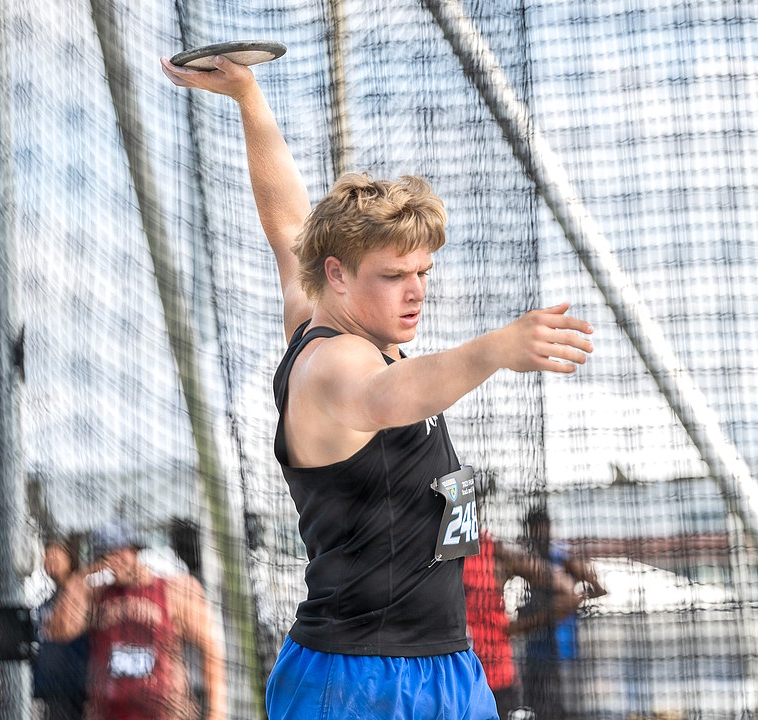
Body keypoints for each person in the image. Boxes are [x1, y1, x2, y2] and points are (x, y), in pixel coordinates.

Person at [161, 53, 595, 719]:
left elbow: (286, 221)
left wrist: (249, 99)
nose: (416, 291)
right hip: (363, 678)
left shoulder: (321, 307)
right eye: (395, 274)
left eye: (423, 270)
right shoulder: (334, 365)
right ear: (337, 275)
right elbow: (389, 399)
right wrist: (498, 348)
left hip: (444, 664)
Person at [43, 521, 227, 720]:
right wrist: (83, 576)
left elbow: (210, 649)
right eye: (105, 556)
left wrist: (216, 712)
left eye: (118, 552)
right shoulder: (97, 596)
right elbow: (58, 631)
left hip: (166, 712)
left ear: (134, 550)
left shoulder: (174, 591)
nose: (113, 560)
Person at [463, 527, 580, 720]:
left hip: (493, 682)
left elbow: (567, 592)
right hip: (450, 680)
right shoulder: (427, 544)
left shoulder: (489, 549)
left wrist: (517, 626)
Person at [513, 507, 606, 720]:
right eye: (535, 529)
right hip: (536, 650)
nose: (539, 533)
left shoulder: (560, 557)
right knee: (539, 710)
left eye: (542, 528)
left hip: (563, 650)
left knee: (568, 710)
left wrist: (574, 600)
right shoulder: (527, 560)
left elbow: (599, 590)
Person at [33, 536, 88, 720]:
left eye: (57, 553)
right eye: (47, 554)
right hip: (52, 688)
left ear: (70, 557)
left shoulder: (83, 592)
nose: (50, 558)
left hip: (78, 687)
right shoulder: (46, 602)